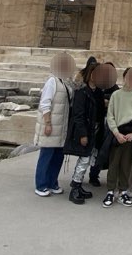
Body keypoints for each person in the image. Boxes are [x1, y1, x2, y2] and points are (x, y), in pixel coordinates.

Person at [102, 66, 132, 208]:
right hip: (117, 134)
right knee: (114, 163)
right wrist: (116, 133)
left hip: (131, 134)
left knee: (126, 164)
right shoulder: (116, 94)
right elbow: (110, 116)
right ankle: (110, 191)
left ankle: (122, 191)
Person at [34, 53, 75, 197]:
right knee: (47, 155)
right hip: (52, 124)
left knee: (58, 156)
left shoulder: (65, 82)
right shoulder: (52, 81)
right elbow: (45, 102)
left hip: (63, 126)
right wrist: (48, 123)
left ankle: (52, 182)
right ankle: (41, 185)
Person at [64, 58, 101, 204]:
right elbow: (78, 115)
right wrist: (83, 134)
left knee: (88, 159)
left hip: (94, 130)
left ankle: (78, 186)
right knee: (84, 159)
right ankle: (75, 187)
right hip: (85, 130)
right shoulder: (82, 92)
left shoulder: (96, 91)